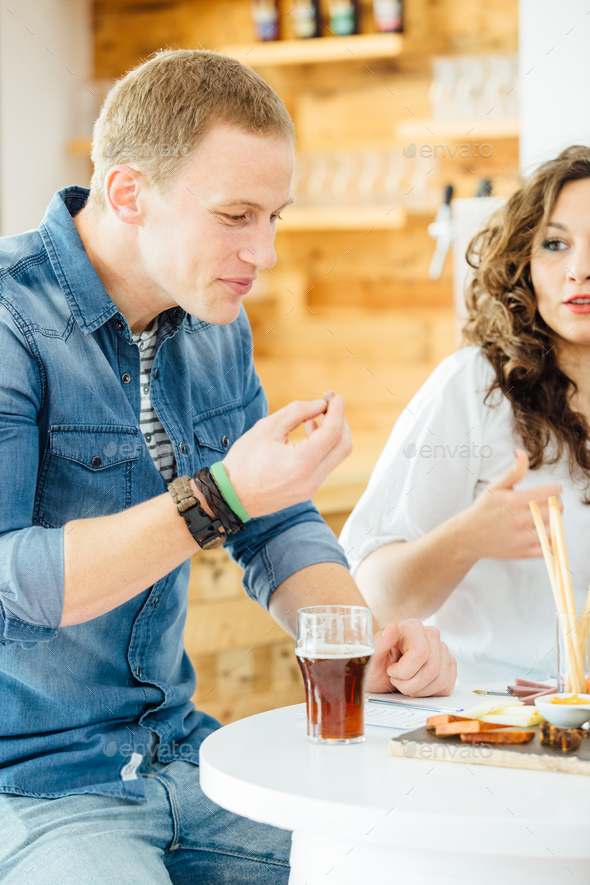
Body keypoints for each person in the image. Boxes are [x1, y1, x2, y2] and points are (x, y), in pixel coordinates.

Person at [0, 49, 455, 885]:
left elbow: (271, 519)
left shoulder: (212, 322)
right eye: (238, 215)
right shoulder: (8, 320)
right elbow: (15, 577)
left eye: (275, 216)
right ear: (130, 193)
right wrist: (222, 492)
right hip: (31, 787)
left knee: (410, 860)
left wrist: (365, 639)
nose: (268, 250)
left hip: (181, 756)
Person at [340, 145, 590, 685]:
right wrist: (466, 539)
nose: (581, 270)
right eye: (555, 244)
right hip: (490, 720)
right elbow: (368, 600)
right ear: (524, 263)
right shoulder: (476, 387)